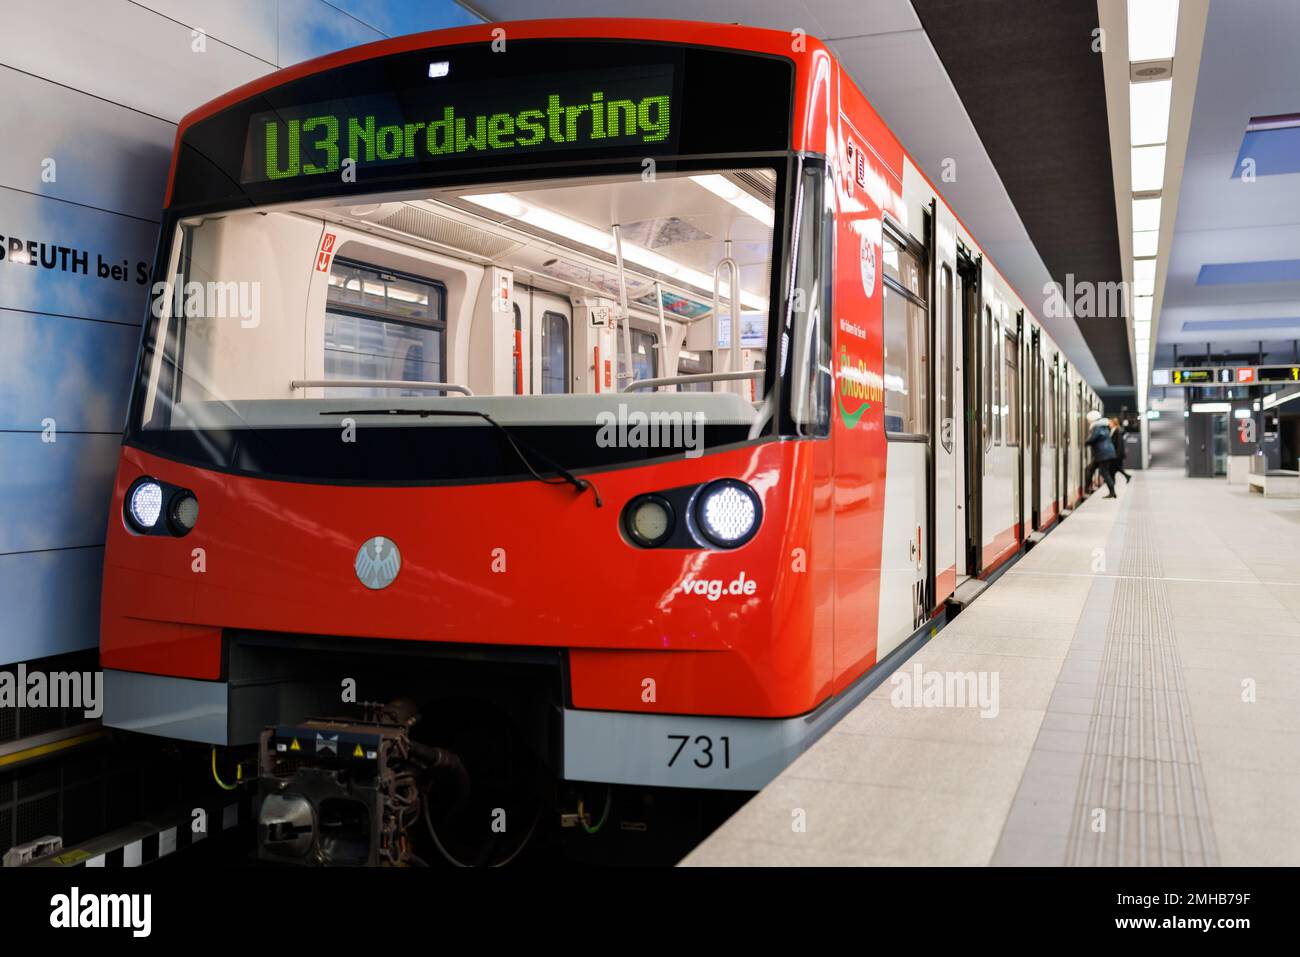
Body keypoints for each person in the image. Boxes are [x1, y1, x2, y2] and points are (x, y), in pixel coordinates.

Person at [1085, 410, 1118, 498]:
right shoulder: (1103, 425)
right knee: (1091, 469)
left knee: (1102, 472)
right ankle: (1087, 489)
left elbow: (1094, 438)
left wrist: (1085, 442)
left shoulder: (1097, 426)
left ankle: (1112, 492)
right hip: (1104, 452)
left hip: (1103, 453)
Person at [1109, 417, 1132, 483]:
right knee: (1116, 469)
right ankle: (1126, 477)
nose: (1109, 424)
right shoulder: (1114, 430)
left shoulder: (1117, 431)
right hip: (1115, 453)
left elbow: (1119, 444)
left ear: (1114, 423)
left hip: (1116, 454)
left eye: (1110, 423)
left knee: (1115, 468)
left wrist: (1117, 454)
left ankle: (1113, 484)